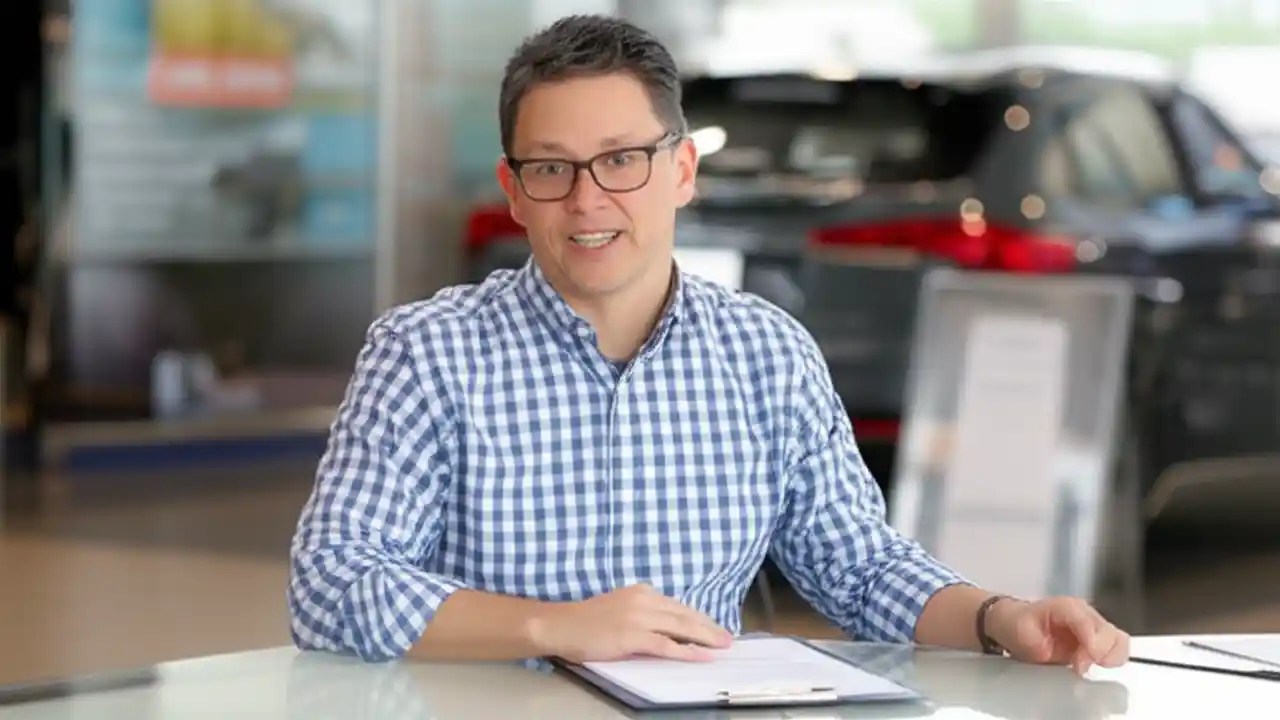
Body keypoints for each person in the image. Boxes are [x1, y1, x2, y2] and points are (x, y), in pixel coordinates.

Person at [288, 14, 1130, 675]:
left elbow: (861, 568)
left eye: (620, 160)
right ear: (514, 191)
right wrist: (557, 628)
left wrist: (999, 620)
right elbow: (332, 582)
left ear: (683, 171)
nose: (587, 200)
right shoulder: (427, 353)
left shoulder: (766, 354)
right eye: (551, 169)